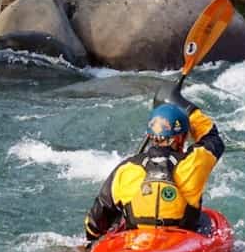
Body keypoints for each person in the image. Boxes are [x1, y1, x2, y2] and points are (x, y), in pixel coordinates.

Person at [84, 92, 224, 244]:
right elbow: (212, 138)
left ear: (150, 136)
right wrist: (189, 109)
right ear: (181, 138)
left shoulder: (126, 168)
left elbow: (95, 221)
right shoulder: (194, 162)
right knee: (206, 221)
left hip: (137, 244)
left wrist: (92, 238)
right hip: (180, 243)